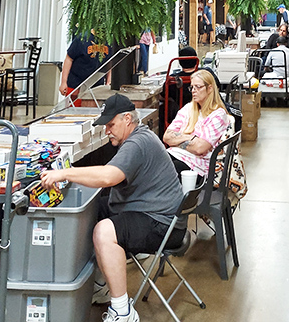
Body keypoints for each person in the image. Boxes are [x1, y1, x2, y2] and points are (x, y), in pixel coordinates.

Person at [40, 94, 184, 322]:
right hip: (150, 210)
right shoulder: (138, 136)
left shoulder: (137, 143)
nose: (107, 131)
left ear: (127, 119)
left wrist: (65, 173)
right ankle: (100, 284)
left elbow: (109, 176)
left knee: (104, 231)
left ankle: (123, 311)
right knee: (89, 212)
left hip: (163, 224)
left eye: (110, 124)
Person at [163, 68, 232, 178]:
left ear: (210, 89)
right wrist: (191, 138)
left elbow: (199, 148)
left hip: (198, 166)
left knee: (162, 170)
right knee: (152, 162)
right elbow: (166, 137)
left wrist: (177, 140)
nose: (193, 91)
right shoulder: (188, 108)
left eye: (198, 87)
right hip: (176, 155)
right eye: (192, 87)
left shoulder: (218, 115)